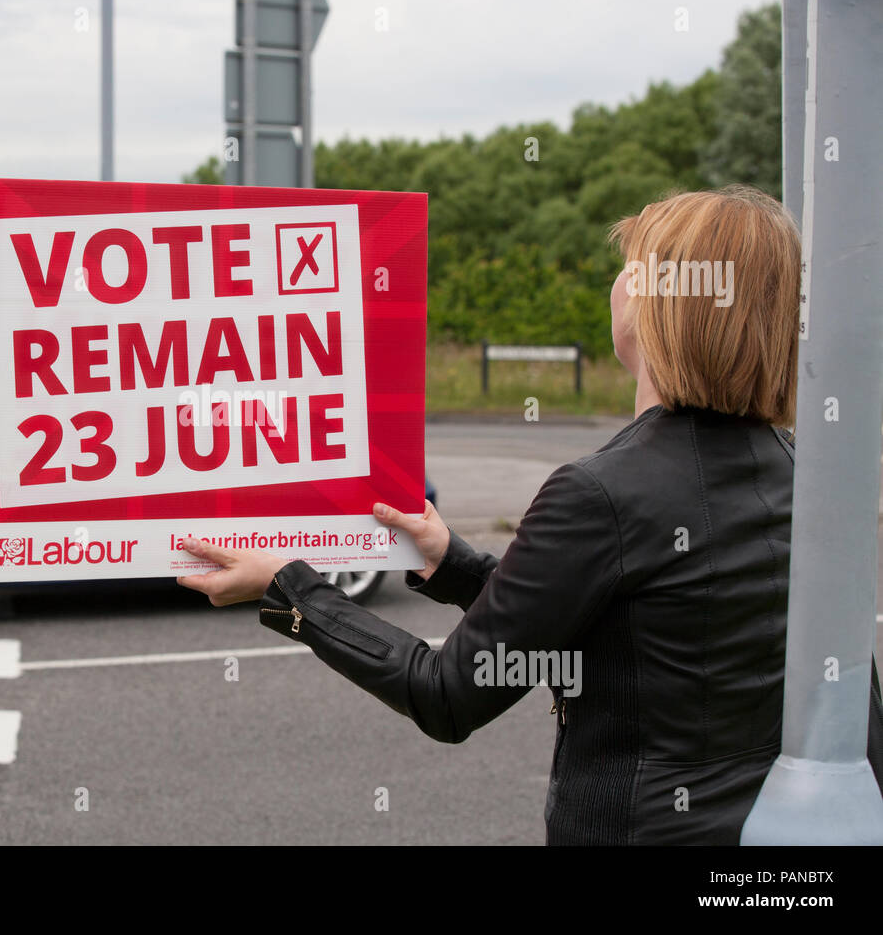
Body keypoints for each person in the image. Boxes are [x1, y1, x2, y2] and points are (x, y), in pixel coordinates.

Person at [177, 185, 883, 845]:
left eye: (630, 270)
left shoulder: (600, 491)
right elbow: (622, 635)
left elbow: (447, 695)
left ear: (660, 306)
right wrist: (454, 562)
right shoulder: (806, 476)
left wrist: (290, 591)